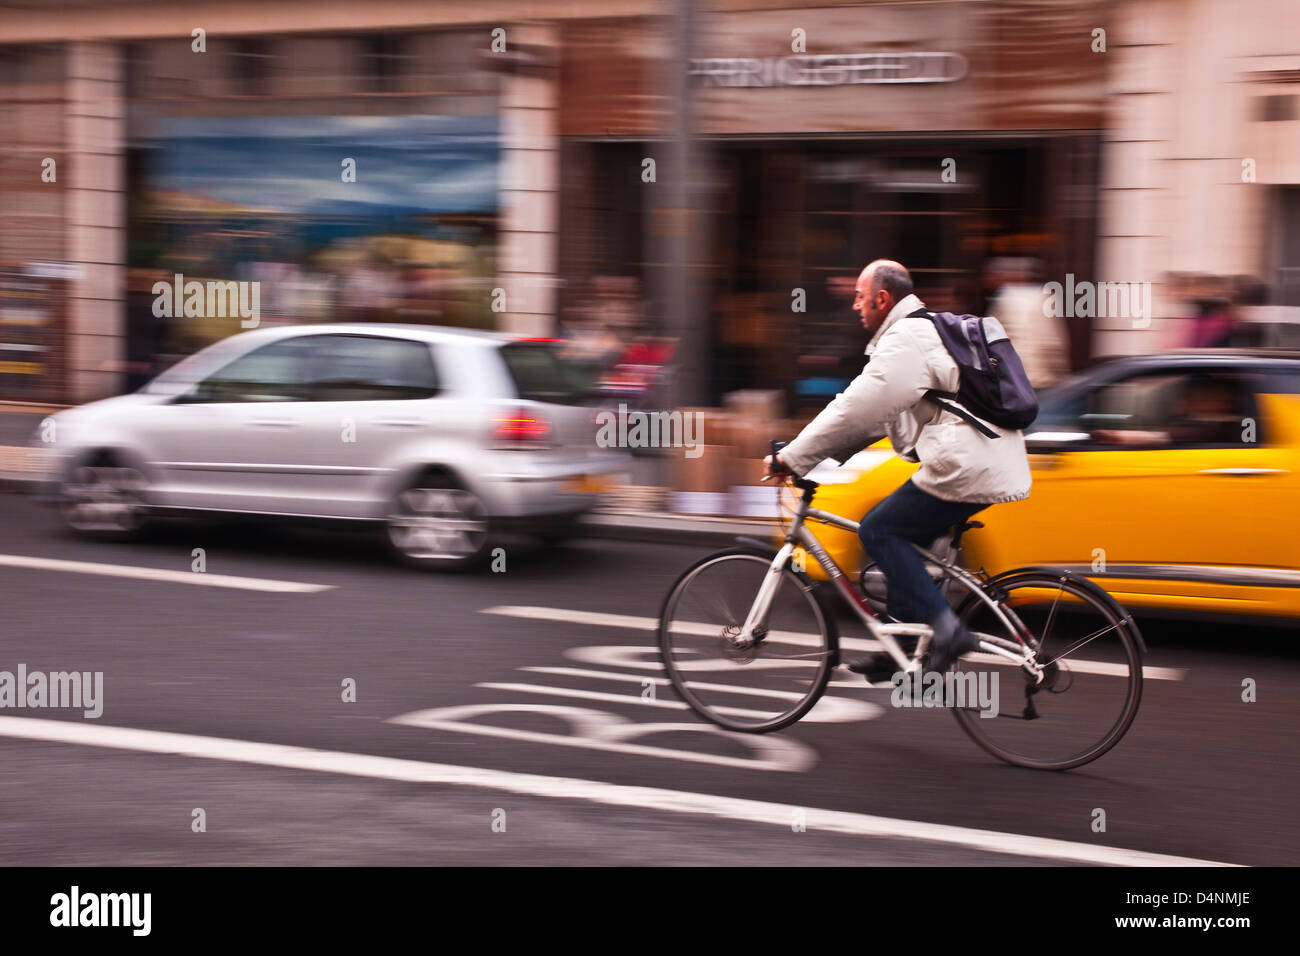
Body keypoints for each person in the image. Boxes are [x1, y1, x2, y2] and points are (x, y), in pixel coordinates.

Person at [764, 260, 1033, 680]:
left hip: (967, 465)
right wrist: (819, 456)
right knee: (902, 544)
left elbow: (855, 409)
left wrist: (791, 458)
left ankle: (948, 632)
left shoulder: (908, 339)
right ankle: (902, 648)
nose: (854, 305)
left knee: (879, 530)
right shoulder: (918, 335)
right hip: (982, 461)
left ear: (882, 298)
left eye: (859, 296)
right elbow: (879, 419)